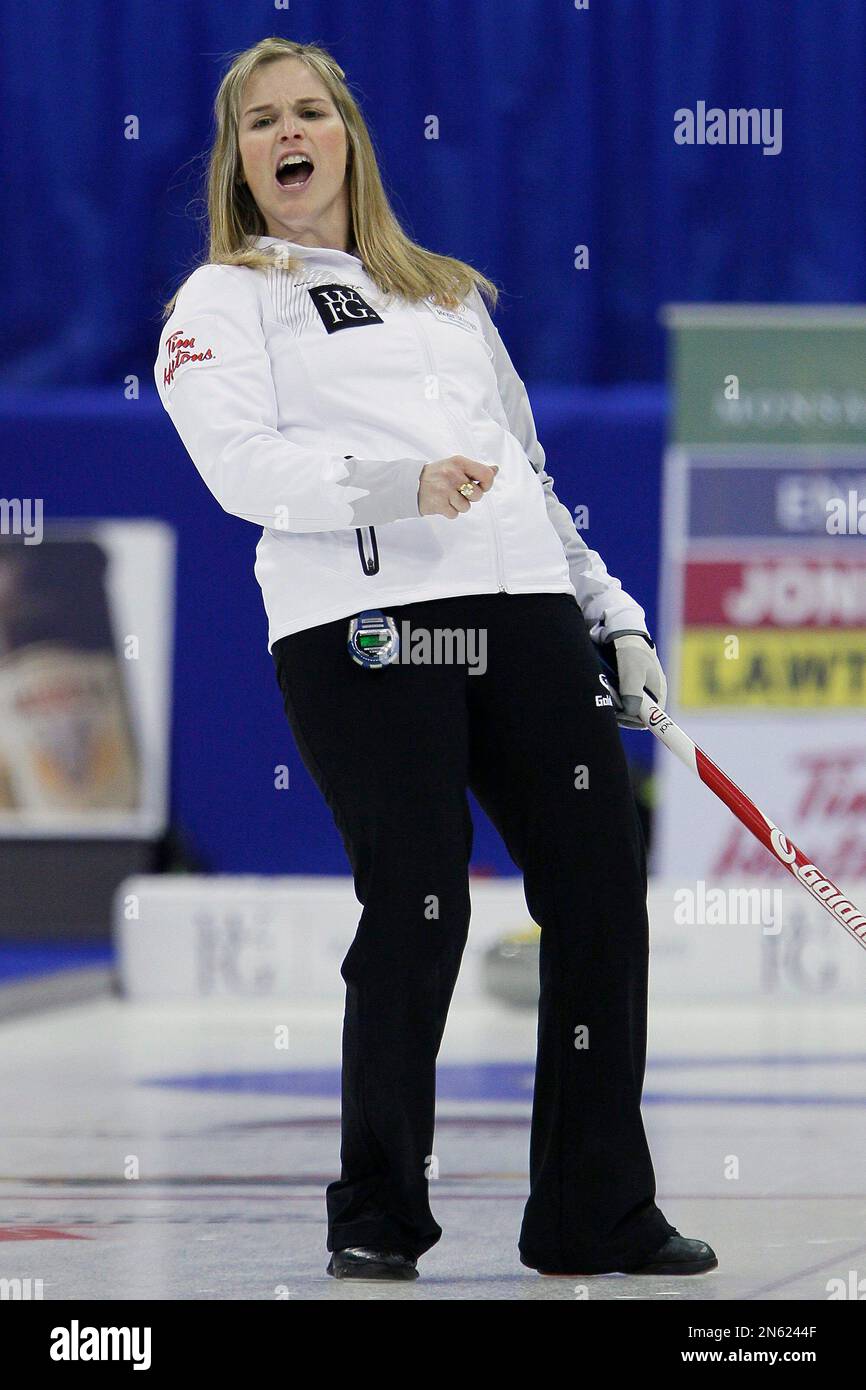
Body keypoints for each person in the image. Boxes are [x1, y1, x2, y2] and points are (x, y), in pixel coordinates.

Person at [154, 36, 717, 1282]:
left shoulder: (446, 293)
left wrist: (609, 615)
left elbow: (529, 476)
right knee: (418, 900)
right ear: (238, 160)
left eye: (309, 112)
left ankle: (593, 1210)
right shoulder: (222, 300)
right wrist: (394, 485)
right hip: (366, 625)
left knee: (595, 884)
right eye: (260, 122)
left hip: (519, 611)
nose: (287, 135)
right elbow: (239, 470)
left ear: (348, 136)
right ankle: (375, 1210)